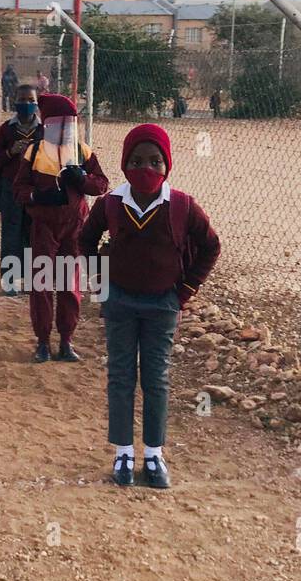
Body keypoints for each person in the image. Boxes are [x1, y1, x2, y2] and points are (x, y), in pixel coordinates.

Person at [77, 124, 221, 490]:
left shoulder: (182, 206)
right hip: (120, 301)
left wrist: (184, 290)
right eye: (138, 161)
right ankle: (124, 451)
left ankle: (154, 454)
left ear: (167, 165)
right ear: (125, 164)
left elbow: (210, 246)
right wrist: (101, 278)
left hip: (163, 304)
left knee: (156, 378)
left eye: (155, 161)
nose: (147, 169)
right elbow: (86, 238)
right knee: (121, 376)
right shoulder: (111, 203)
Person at [12, 94, 109, 360]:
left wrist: (82, 180)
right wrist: (37, 196)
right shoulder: (34, 152)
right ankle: (43, 341)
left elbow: (102, 184)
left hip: (74, 228)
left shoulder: (81, 151)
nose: (65, 128)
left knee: (70, 284)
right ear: (48, 124)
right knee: (41, 283)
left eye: (70, 123)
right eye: (59, 123)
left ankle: (66, 341)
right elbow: (19, 188)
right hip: (44, 227)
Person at [0, 83, 38, 295]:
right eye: (22, 99)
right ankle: (9, 280)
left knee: (32, 233)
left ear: (37, 103)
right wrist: (11, 152)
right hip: (11, 188)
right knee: (11, 234)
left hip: (36, 188)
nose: (25, 104)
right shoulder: (7, 129)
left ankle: (29, 279)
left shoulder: (44, 130)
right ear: (15, 101)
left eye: (30, 100)